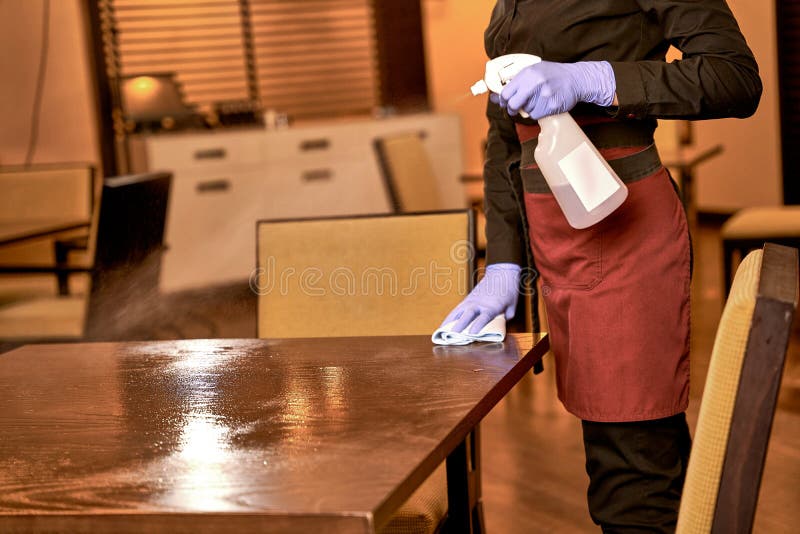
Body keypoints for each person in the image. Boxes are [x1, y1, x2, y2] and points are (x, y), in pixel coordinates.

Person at [440, 0, 762, 531]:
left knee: (630, 483)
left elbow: (735, 78)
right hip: (560, 240)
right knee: (636, 451)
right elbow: (504, 138)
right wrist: (502, 263)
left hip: (624, 236)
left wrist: (593, 80)